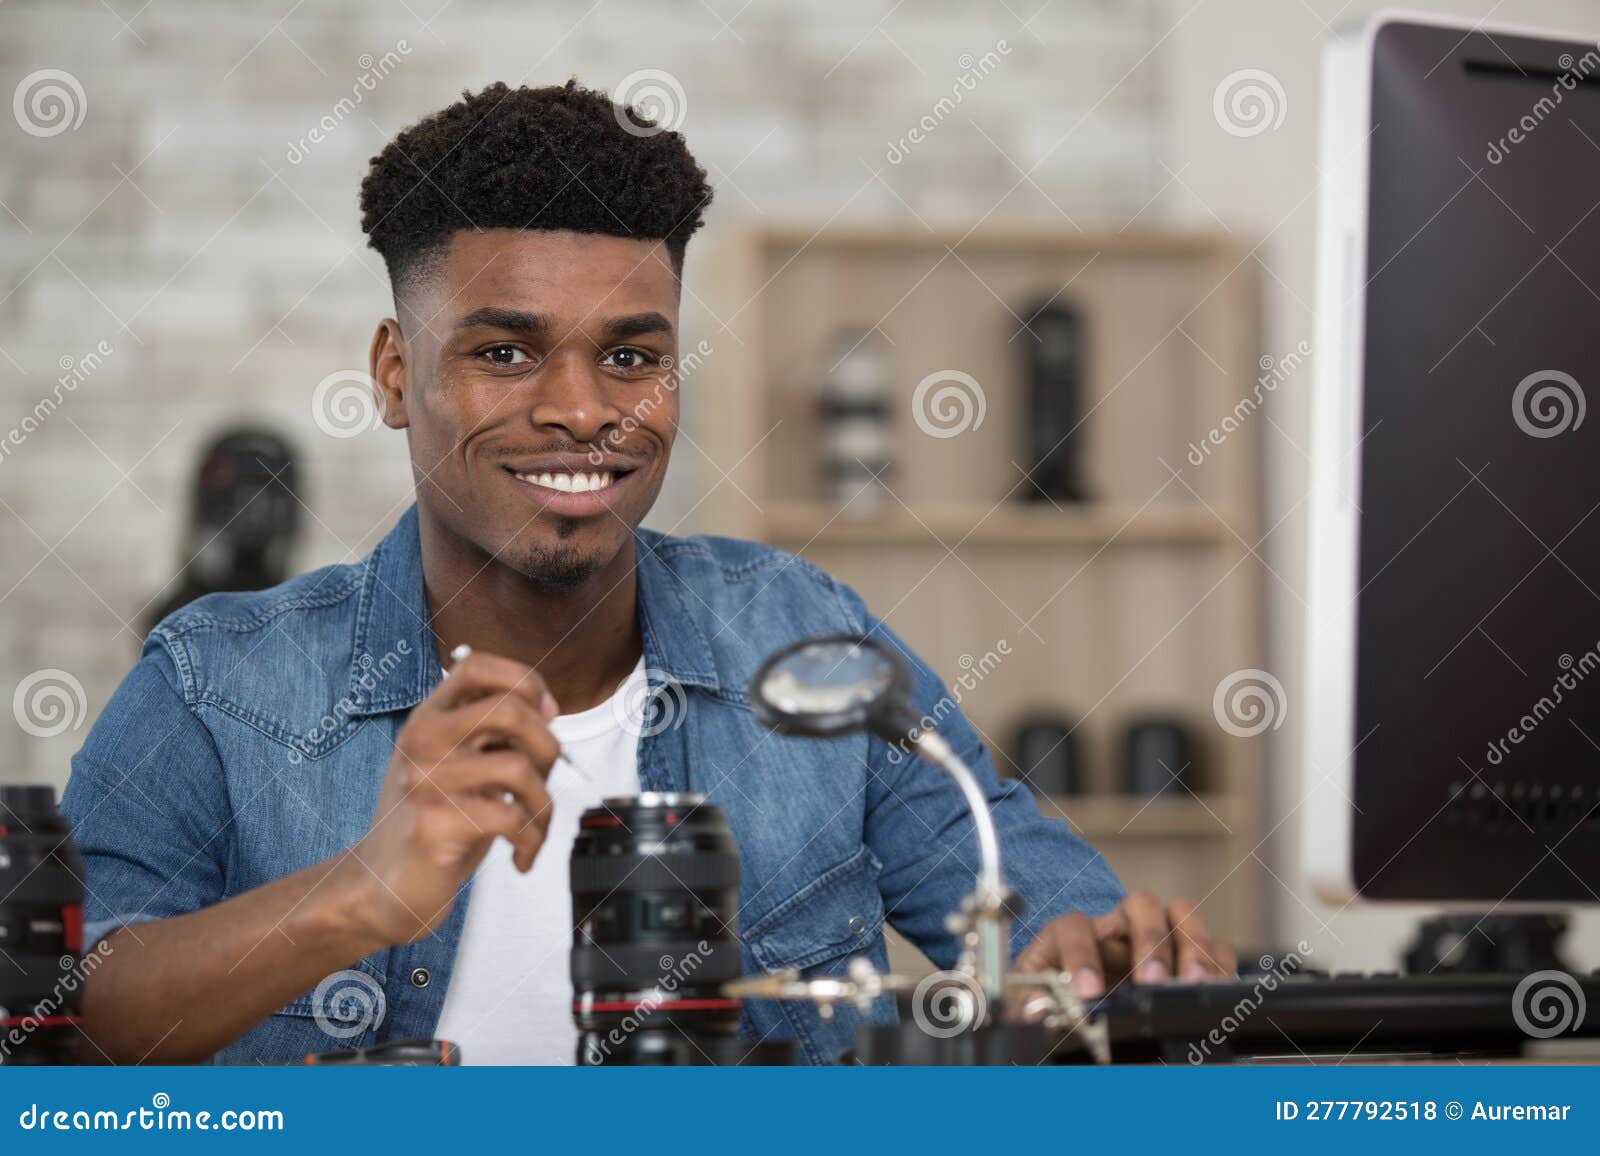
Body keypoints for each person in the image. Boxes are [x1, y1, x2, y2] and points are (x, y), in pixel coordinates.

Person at [62, 81, 1234, 1066]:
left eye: (631, 356)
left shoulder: (799, 638)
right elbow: (62, 1022)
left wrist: (1101, 968)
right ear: (391, 370)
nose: (580, 410)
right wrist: (364, 889)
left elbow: (1039, 915)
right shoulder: (218, 682)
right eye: (504, 351)